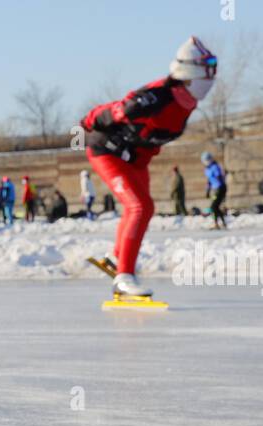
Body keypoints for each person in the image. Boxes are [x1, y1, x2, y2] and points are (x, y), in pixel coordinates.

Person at [80, 35, 217, 297]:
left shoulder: (186, 103)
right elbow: (106, 112)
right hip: (106, 152)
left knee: (140, 208)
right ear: (189, 75)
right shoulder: (153, 98)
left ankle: (116, 259)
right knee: (140, 206)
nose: (210, 82)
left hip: (135, 159)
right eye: (207, 75)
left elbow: (153, 135)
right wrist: (85, 125)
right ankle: (124, 276)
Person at [202, 151, 228, 229]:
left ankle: (217, 224)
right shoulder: (207, 169)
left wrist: (220, 181)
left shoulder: (215, 166)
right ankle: (222, 223)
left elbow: (219, 176)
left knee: (213, 206)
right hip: (215, 189)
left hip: (220, 188)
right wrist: (207, 190)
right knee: (215, 207)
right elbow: (209, 181)